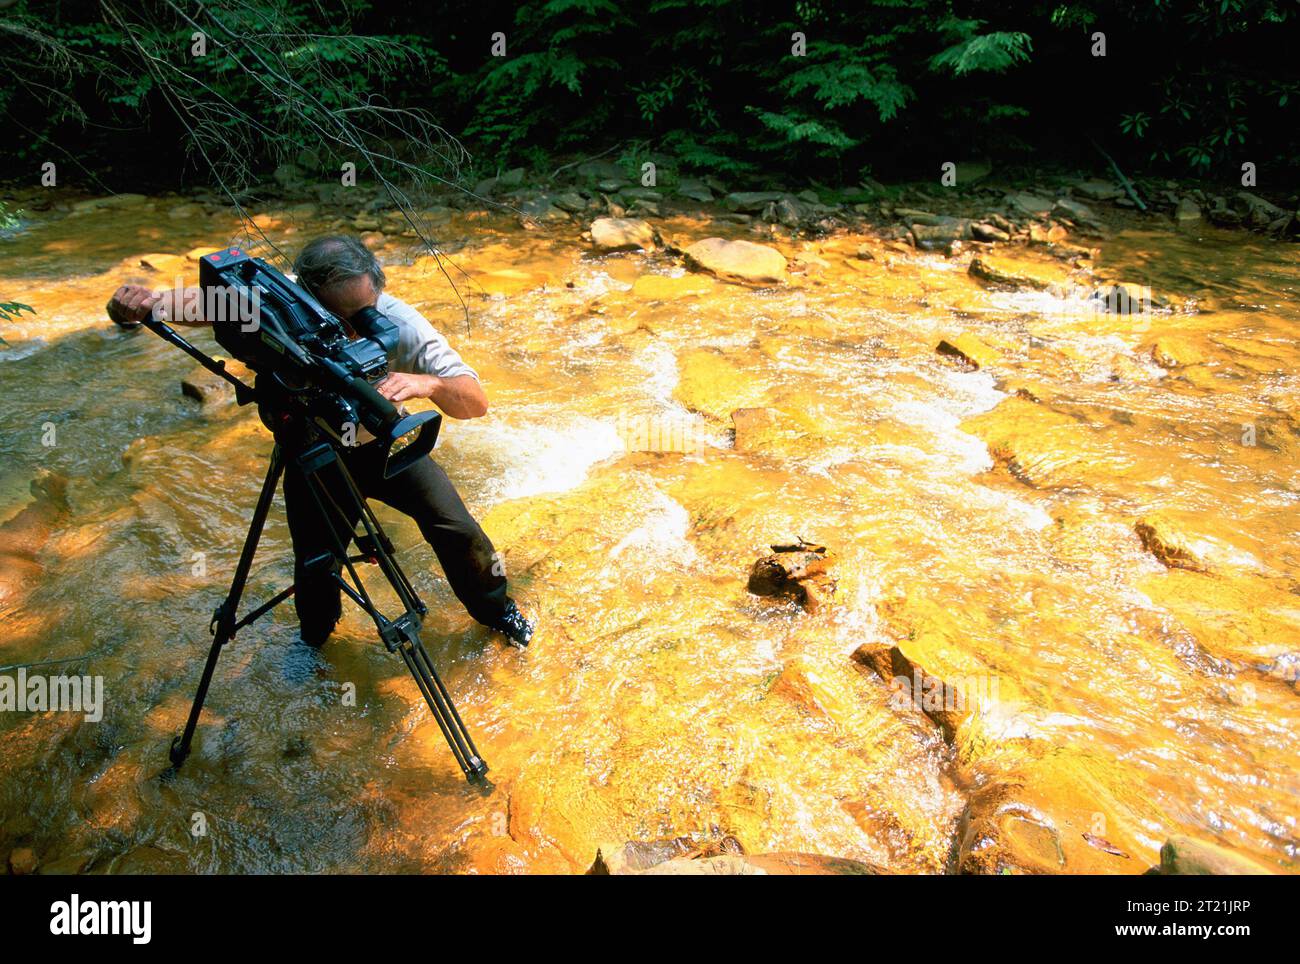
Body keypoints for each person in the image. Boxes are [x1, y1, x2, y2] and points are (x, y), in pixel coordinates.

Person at [106, 235, 534, 648]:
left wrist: (428, 383)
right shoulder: (279, 305)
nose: (349, 327)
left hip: (384, 445)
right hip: (314, 452)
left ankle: (498, 613)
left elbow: (475, 402)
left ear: (377, 289)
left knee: (458, 531)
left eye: (362, 312)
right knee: (316, 567)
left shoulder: (399, 322)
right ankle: (317, 640)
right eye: (337, 316)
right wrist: (147, 303)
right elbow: (206, 303)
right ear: (307, 296)